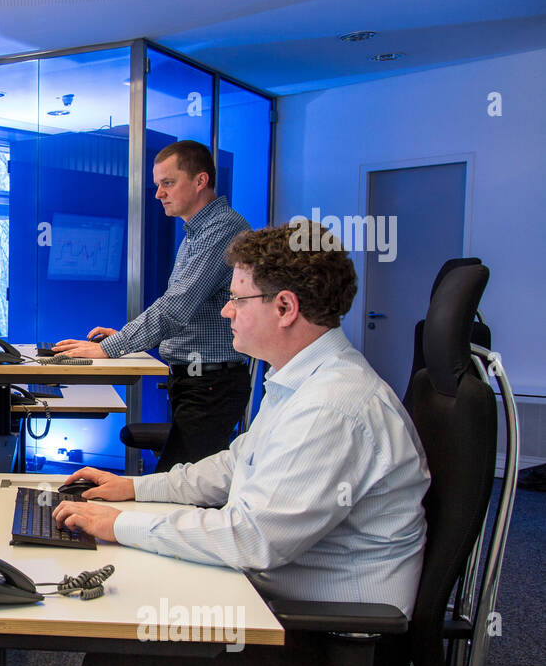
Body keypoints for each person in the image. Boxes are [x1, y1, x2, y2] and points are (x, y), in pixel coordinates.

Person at [51, 223, 429, 622]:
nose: (225, 310)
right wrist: (133, 487)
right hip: (272, 592)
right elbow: (235, 466)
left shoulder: (332, 407)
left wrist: (123, 524)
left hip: (323, 628)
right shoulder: (298, 380)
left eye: (237, 299)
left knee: (121, 634)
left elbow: (251, 537)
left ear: (285, 308)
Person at [52, 140, 252, 472]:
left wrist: (111, 348)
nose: (158, 193)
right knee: (179, 486)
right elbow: (190, 315)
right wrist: (127, 339)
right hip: (197, 381)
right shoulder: (197, 231)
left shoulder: (223, 229)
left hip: (210, 385)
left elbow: (175, 308)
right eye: (158, 184)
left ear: (200, 181)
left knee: (178, 493)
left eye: (168, 183)